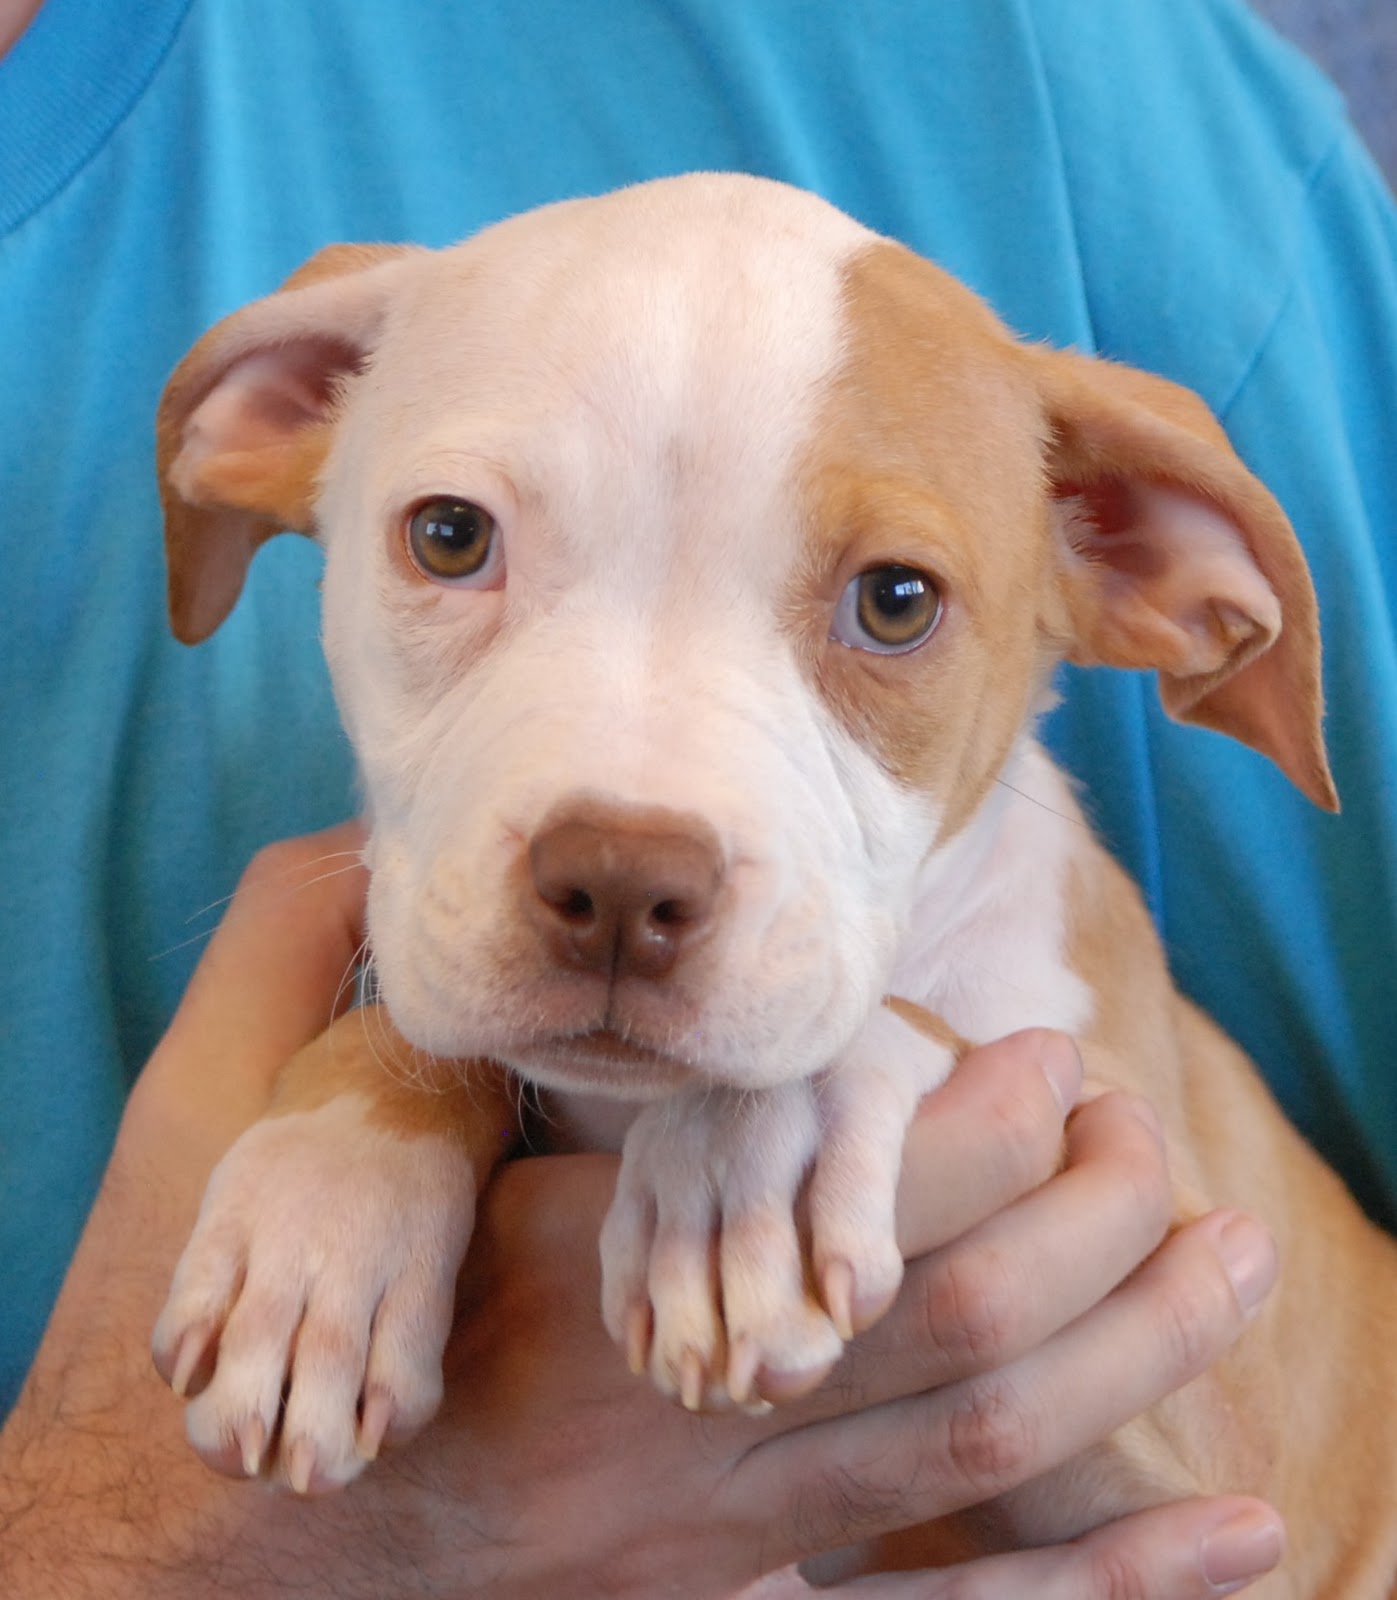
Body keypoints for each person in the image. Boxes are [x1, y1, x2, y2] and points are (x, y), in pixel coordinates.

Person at [1, 0, 1393, 1592]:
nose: (626, 848)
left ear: (1135, 556)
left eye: (887, 602)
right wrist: (387, 1102)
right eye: (454, 541)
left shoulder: (1087, 88)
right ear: (274, 429)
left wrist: (854, 1064)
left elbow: (1221, 1516)